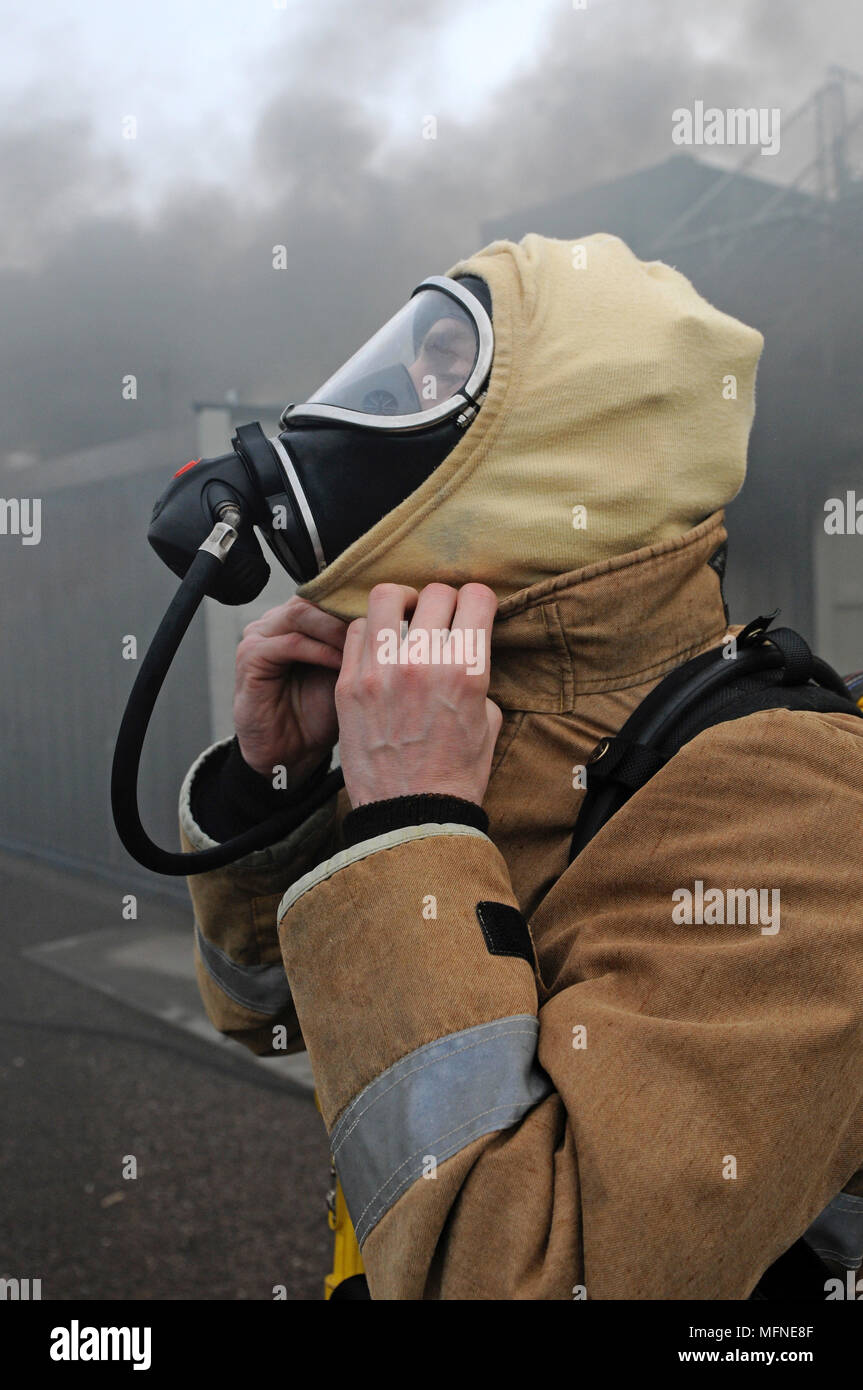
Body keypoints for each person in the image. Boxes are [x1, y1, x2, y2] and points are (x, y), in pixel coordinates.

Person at [179, 233, 863, 1300]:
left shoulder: (793, 800)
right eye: (410, 360)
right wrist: (274, 787)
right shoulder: (450, 709)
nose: (406, 391)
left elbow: (531, 1277)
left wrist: (411, 819)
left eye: (449, 365)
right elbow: (272, 1016)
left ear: (572, 432)